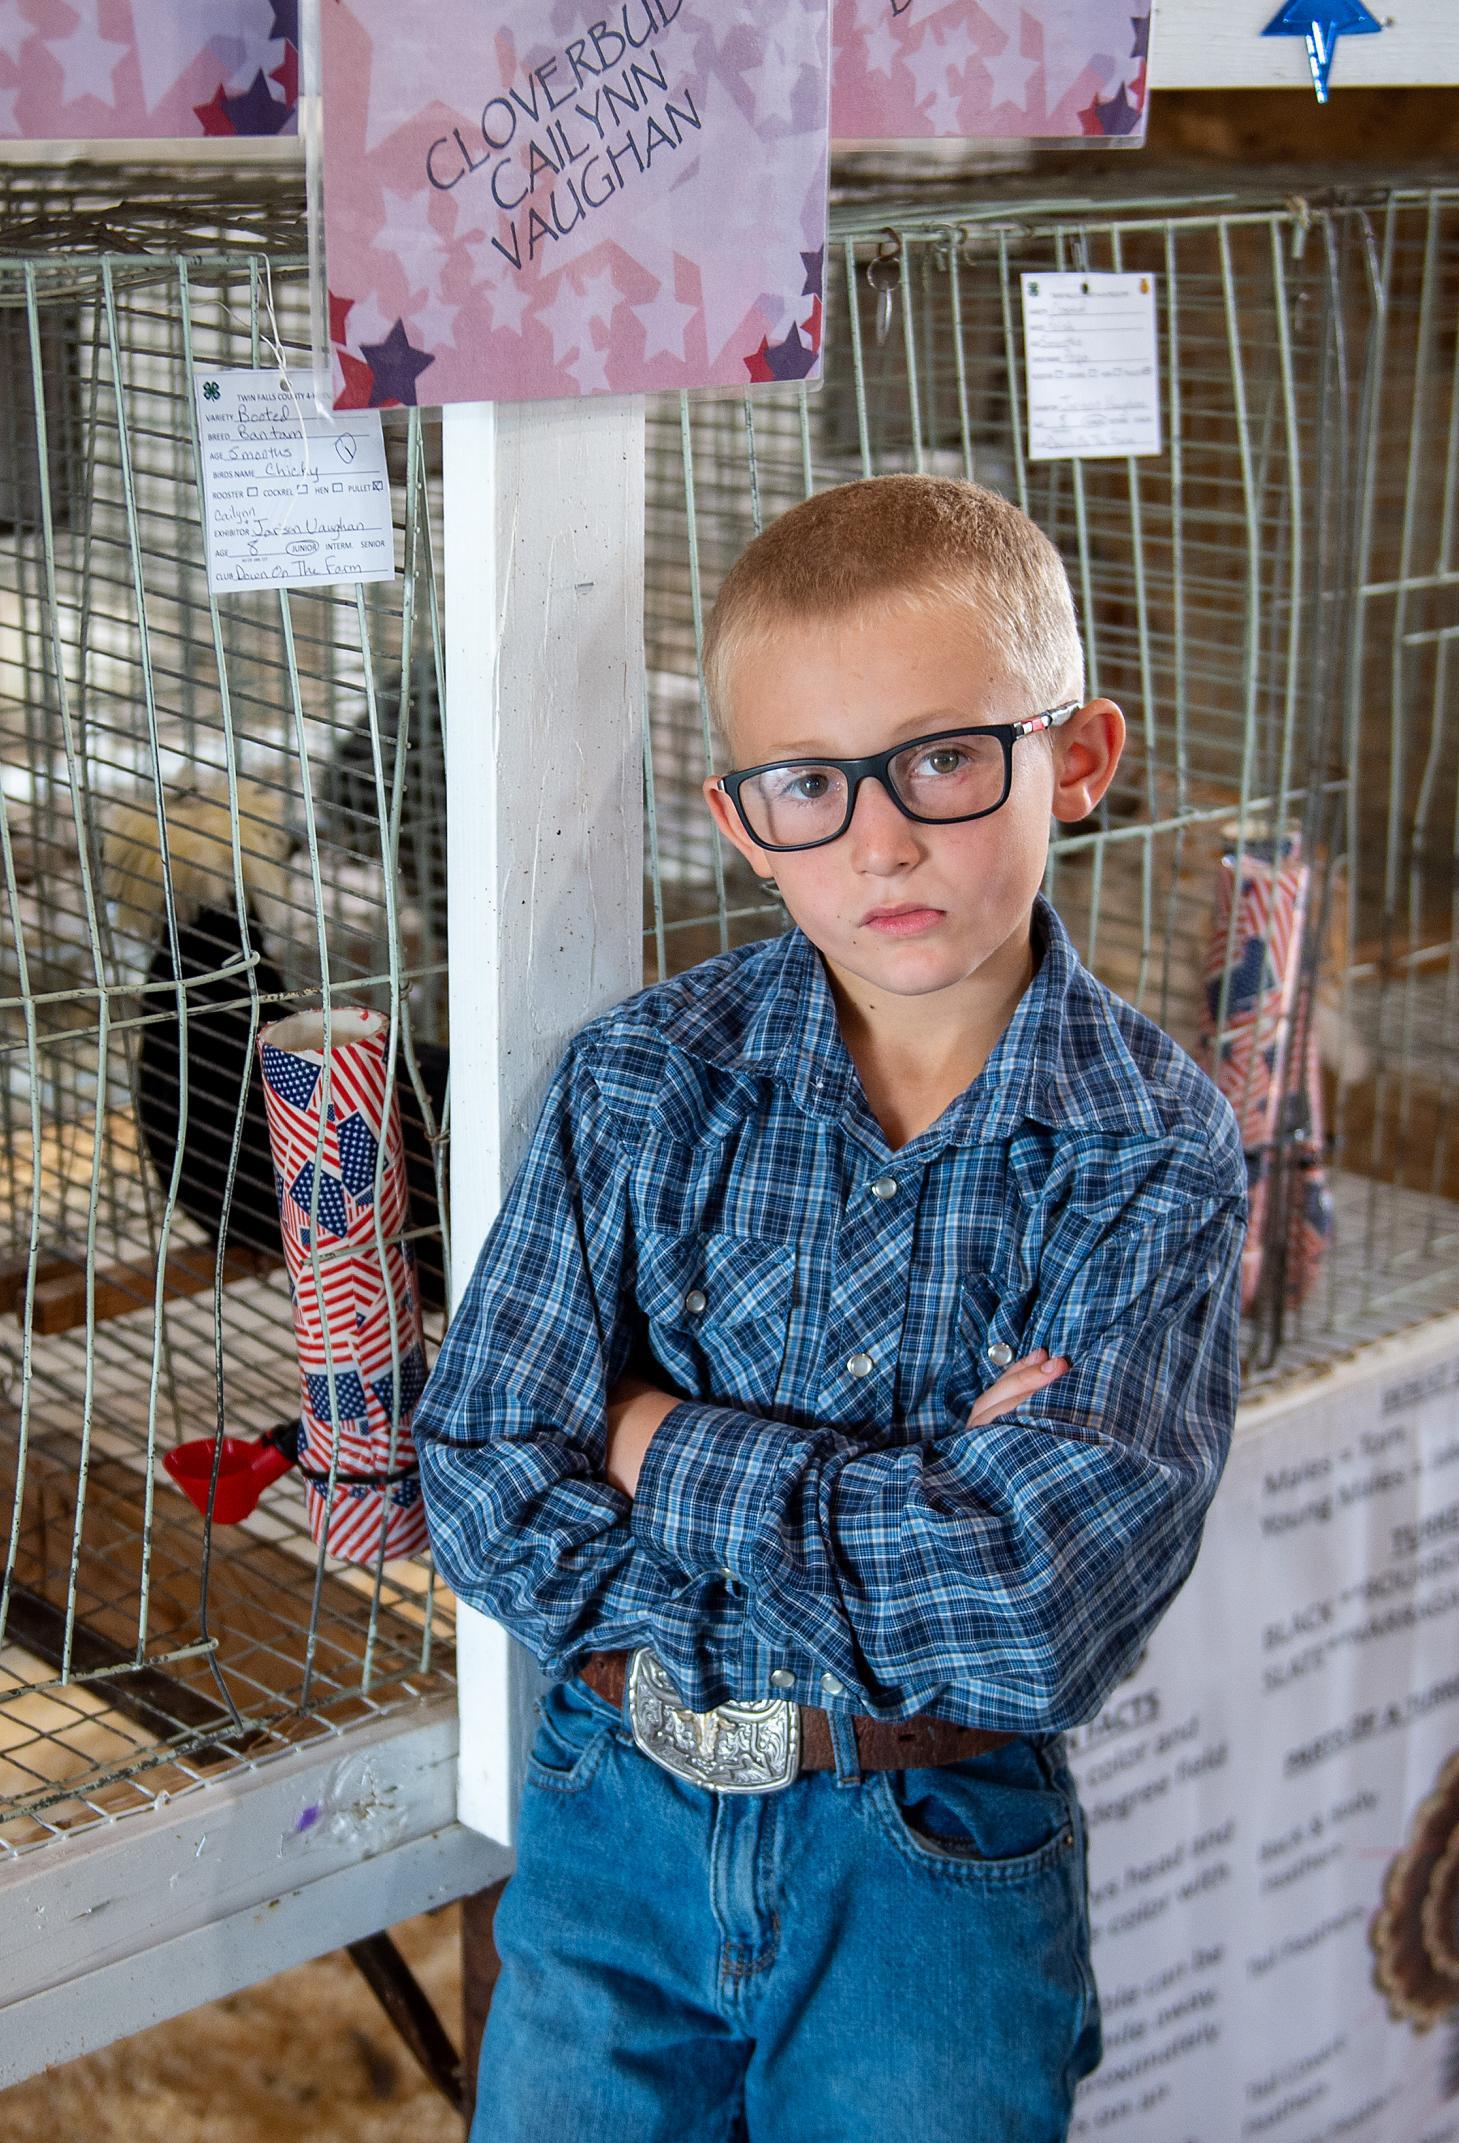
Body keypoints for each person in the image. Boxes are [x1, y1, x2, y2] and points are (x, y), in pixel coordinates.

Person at [417, 474, 1251, 2142]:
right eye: (809, 784)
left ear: (1074, 758)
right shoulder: (651, 1082)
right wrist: (909, 1509)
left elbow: (1028, 1616)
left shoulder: (1148, 1151)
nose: (881, 840)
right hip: (614, 1820)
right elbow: (489, 1473)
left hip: (927, 1862)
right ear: (739, 821)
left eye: (944, 759)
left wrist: (651, 1434)